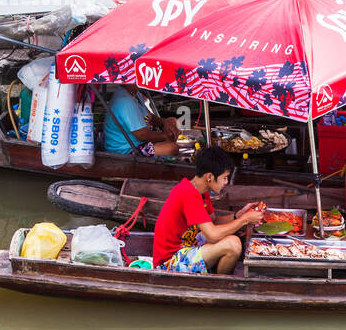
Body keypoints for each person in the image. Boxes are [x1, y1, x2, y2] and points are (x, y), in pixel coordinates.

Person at [153, 146, 266, 274]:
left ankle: (218, 277)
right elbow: (212, 235)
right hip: (169, 262)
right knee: (233, 244)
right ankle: (218, 286)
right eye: (224, 177)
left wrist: (238, 215)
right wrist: (244, 220)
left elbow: (213, 221)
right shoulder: (188, 193)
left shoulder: (202, 191)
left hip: (190, 247)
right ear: (209, 177)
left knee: (230, 235)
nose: (226, 182)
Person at [104, 86, 180, 156]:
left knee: (173, 121)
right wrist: (165, 136)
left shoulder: (135, 94)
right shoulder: (125, 101)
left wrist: (165, 122)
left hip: (139, 143)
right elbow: (142, 135)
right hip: (126, 151)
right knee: (172, 148)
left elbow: (149, 117)